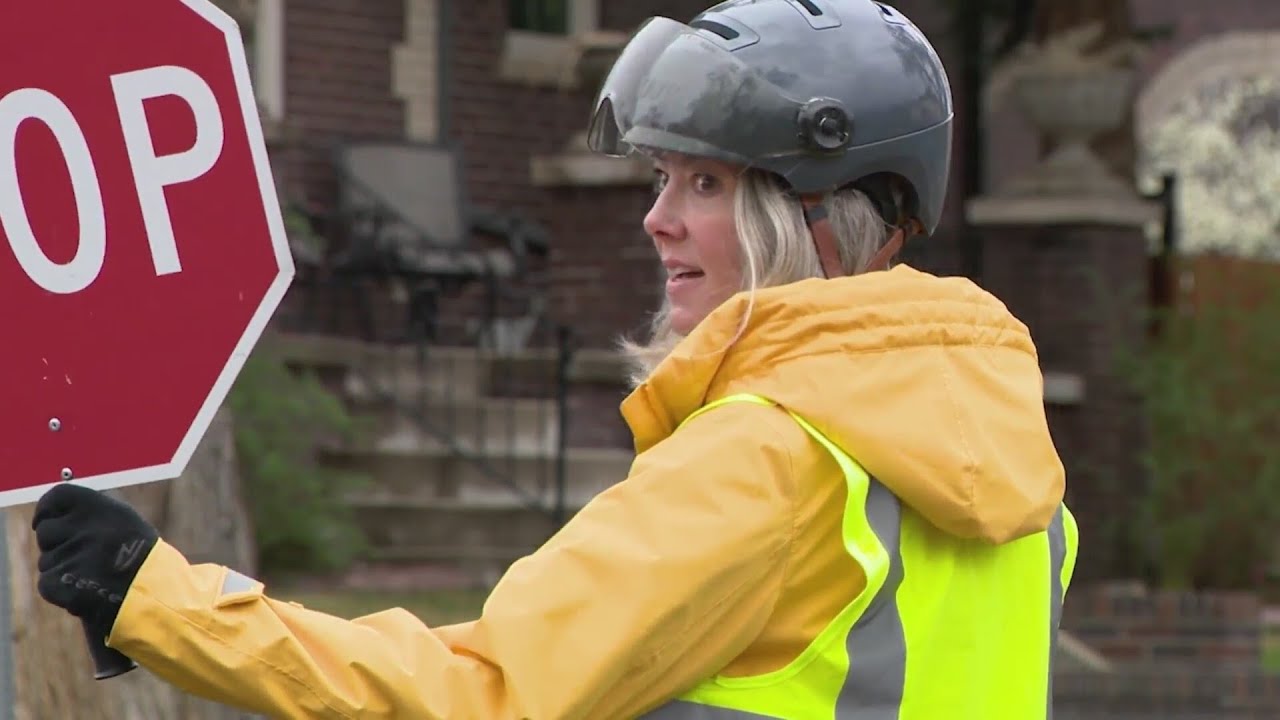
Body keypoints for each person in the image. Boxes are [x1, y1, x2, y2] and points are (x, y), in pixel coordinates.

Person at [31, 0, 1078, 717]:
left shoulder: (767, 457)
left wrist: (156, 598)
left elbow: (484, 693)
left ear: (820, 218)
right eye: (661, 181)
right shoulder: (1014, 474)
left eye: (705, 187)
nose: (657, 221)